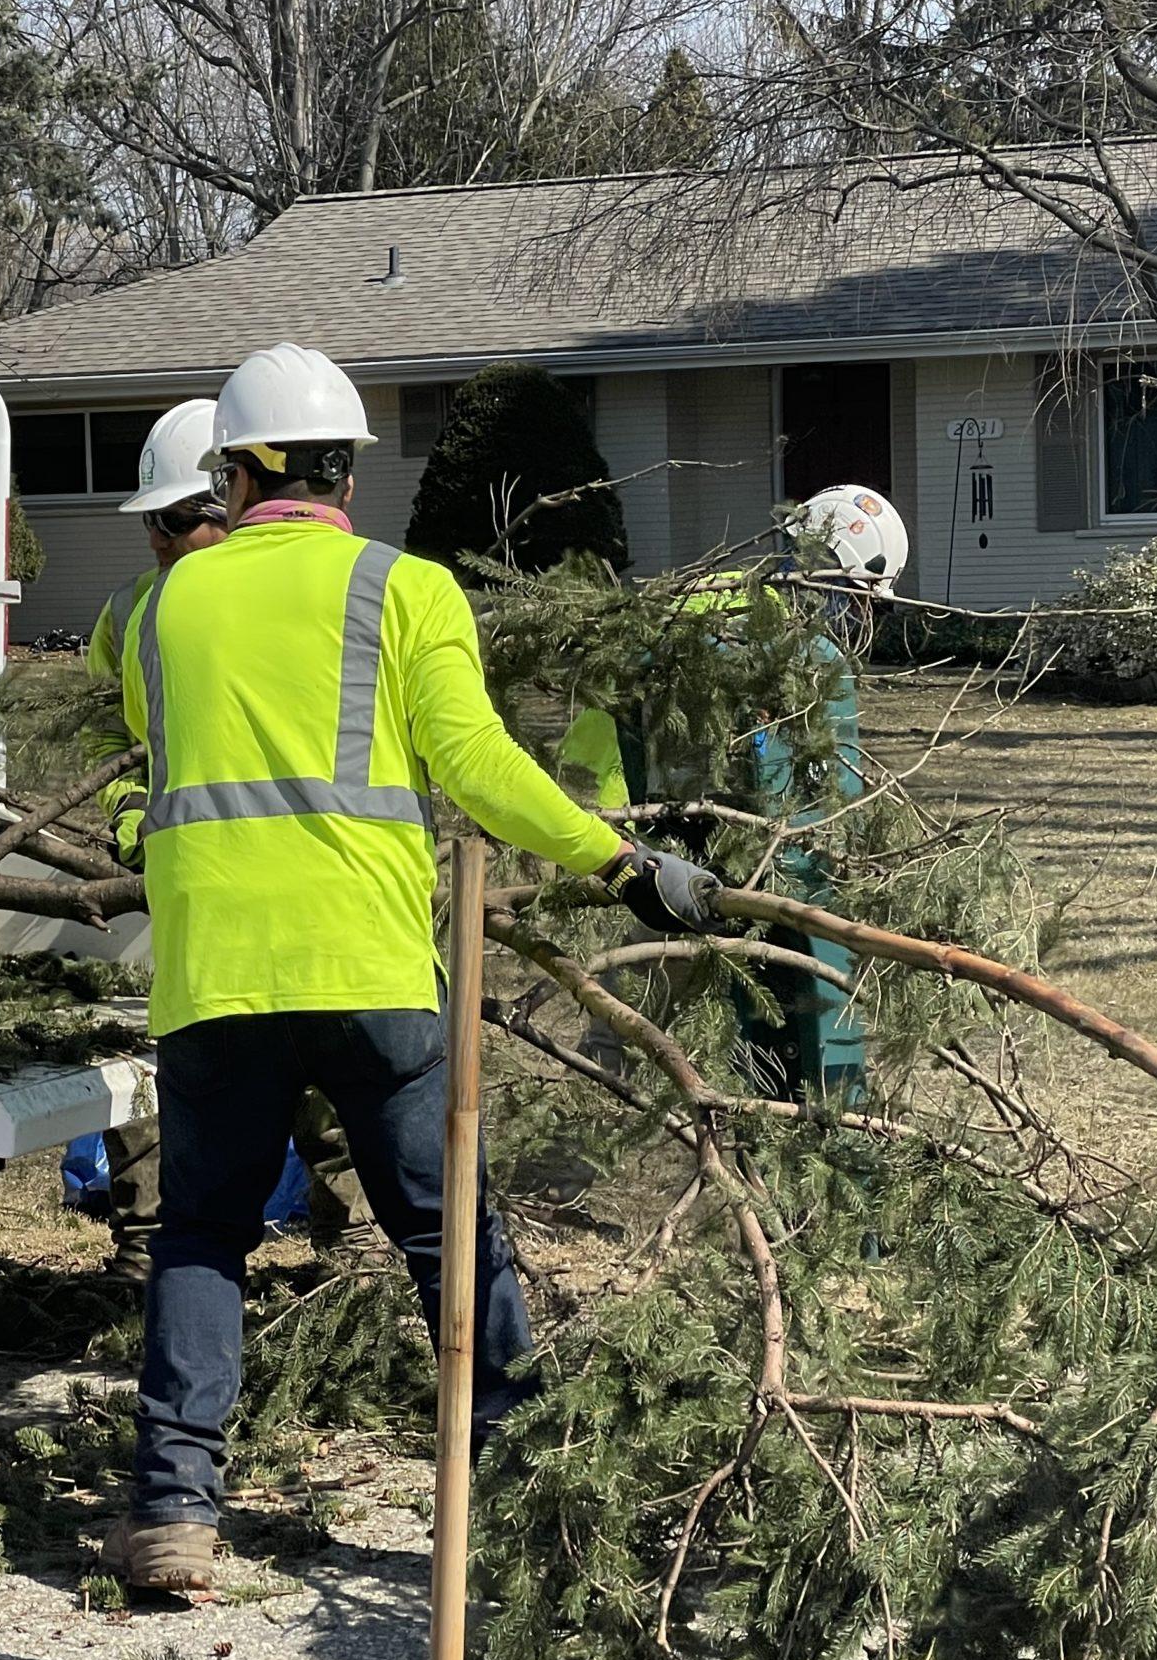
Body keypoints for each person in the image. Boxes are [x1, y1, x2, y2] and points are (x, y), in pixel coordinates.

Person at [101, 343, 721, 1592]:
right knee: (446, 1232)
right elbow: (478, 768)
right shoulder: (404, 591)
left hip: (215, 977)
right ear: (344, 469)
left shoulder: (162, 608)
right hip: (372, 970)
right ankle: (511, 1473)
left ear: (234, 471)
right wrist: (622, 863)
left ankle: (175, 1509)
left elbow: (155, 762)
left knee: (202, 1236)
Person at [79, 399, 366, 1286]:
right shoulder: (131, 614)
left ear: (226, 503)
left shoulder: (306, 587)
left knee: (324, 1063)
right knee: (146, 1050)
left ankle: (347, 1246)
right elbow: (108, 742)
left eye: (176, 526)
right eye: (155, 531)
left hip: (307, 881)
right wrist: (130, 813)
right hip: (185, 883)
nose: (161, 548)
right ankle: (147, 1241)